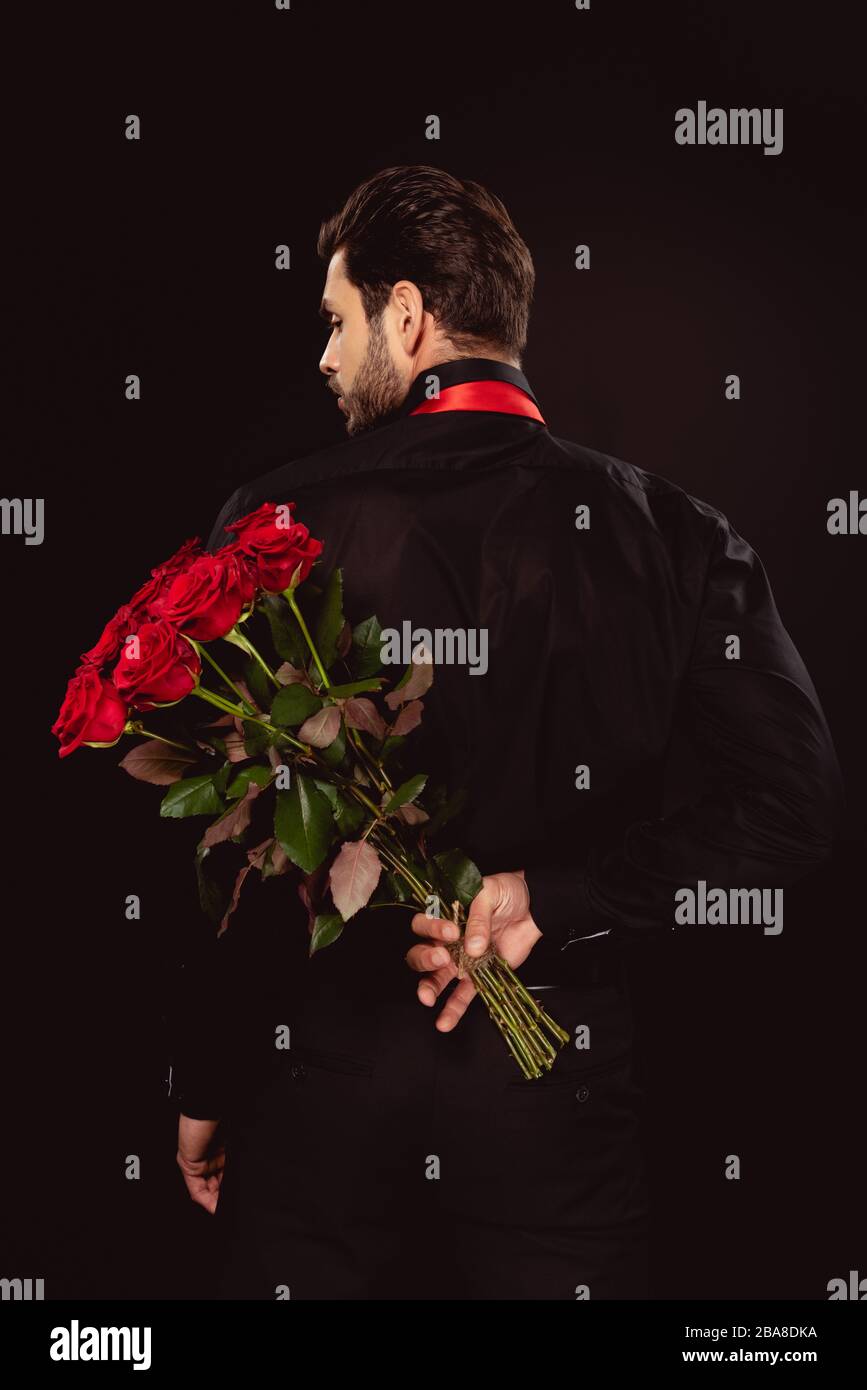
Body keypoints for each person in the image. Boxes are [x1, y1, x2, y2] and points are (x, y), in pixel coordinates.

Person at [172, 165, 844, 1300]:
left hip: (324, 1101)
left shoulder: (276, 523)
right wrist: (556, 901)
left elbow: (238, 845)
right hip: (559, 1109)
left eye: (338, 322)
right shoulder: (675, 533)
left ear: (408, 315)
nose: (326, 360)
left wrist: (205, 1086)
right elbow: (792, 807)